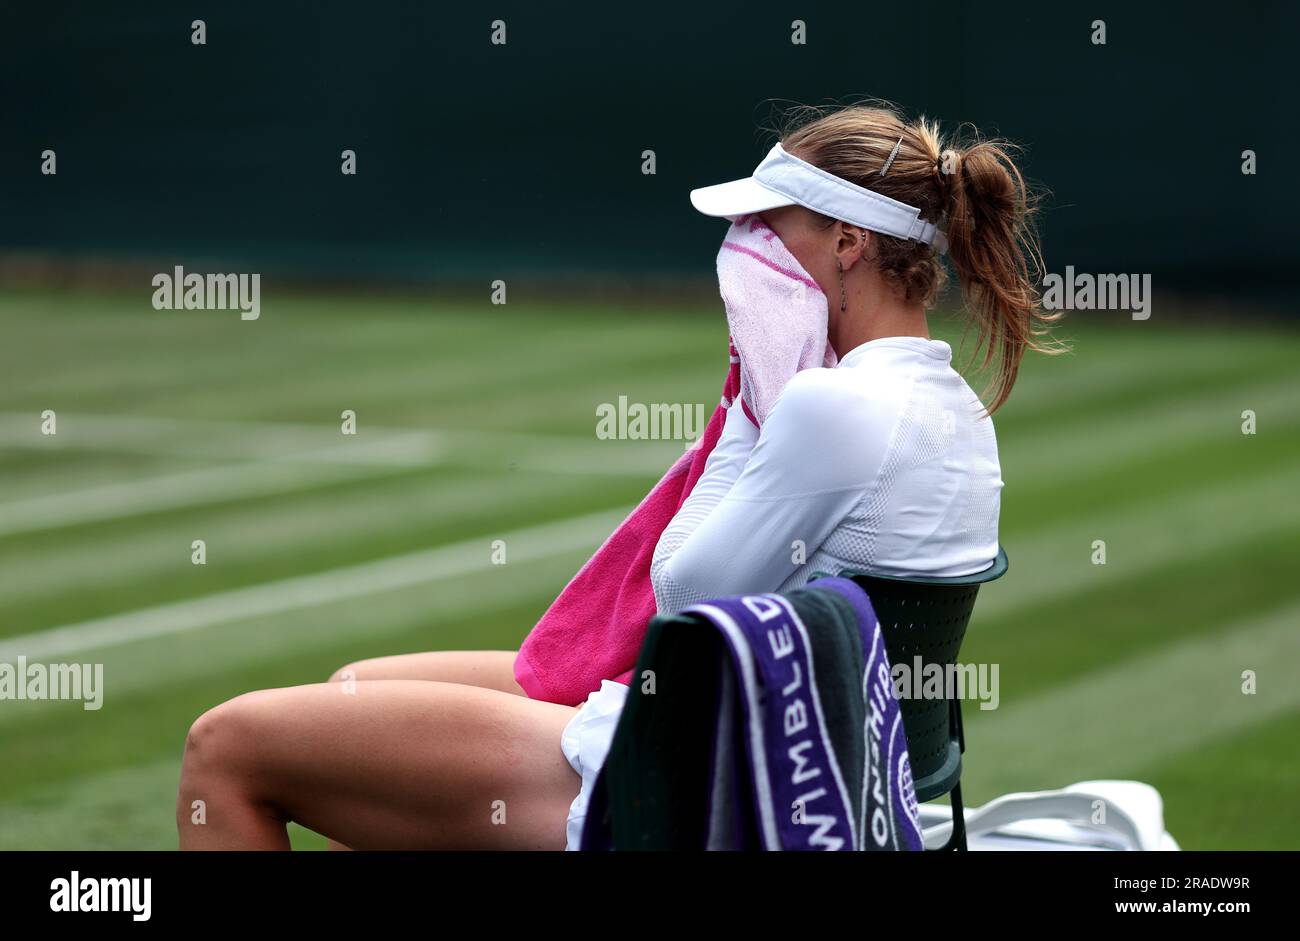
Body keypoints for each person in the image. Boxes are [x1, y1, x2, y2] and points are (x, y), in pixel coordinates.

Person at [176, 101, 1059, 850]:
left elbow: (681, 591)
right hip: (821, 760)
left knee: (226, 746)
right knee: (354, 693)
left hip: (719, 783)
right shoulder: (949, 406)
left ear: (847, 243)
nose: (744, 245)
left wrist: (750, 410)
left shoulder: (830, 406)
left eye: (767, 224)